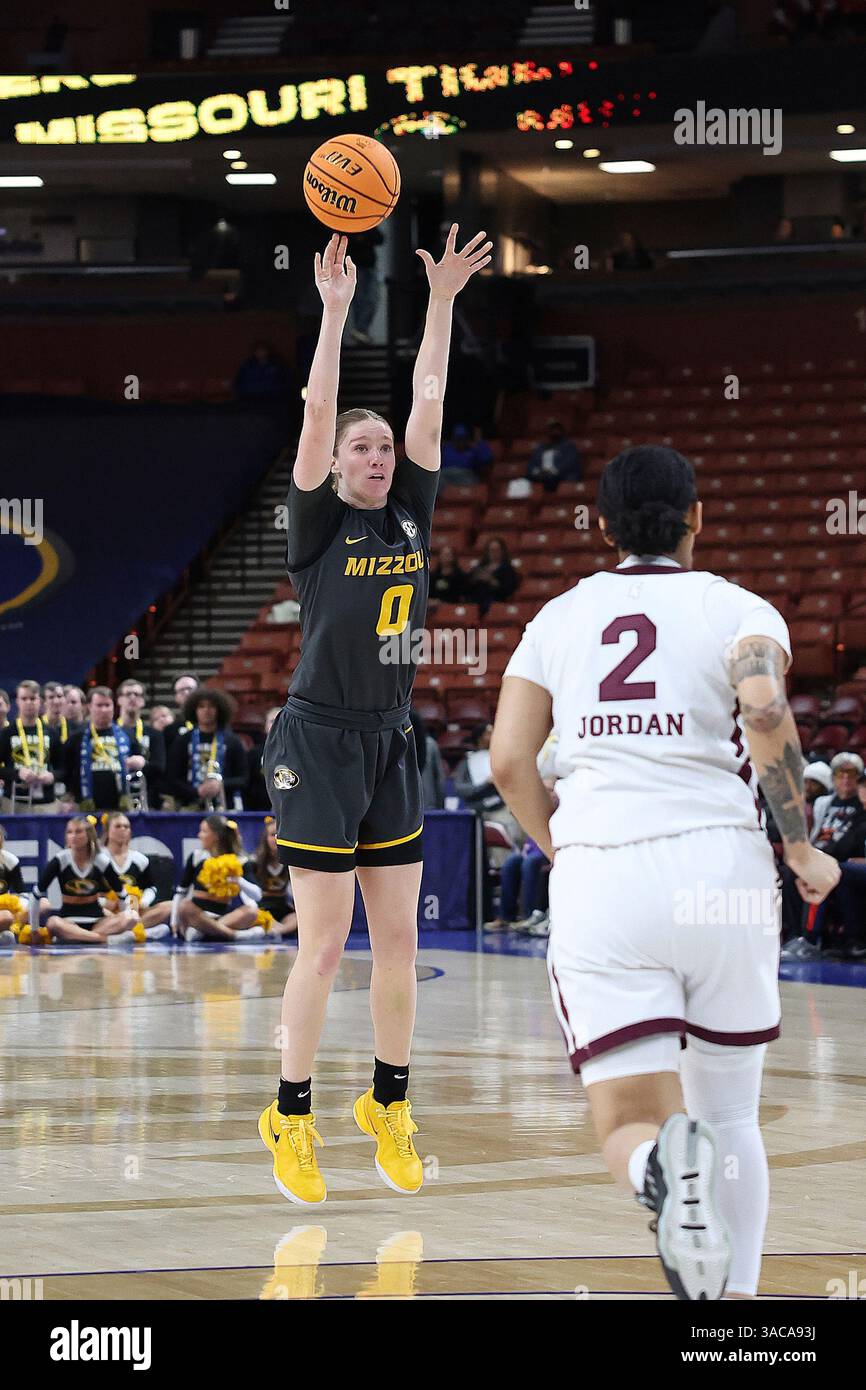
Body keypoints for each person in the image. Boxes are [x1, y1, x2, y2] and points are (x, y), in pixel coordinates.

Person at [489, 442, 839, 1301]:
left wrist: (565, 850)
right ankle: (735, 1317)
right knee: (732, 1115)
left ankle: (657, 1172)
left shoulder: (558, 618)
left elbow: (508, 761)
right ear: (697, 518)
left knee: (630, 1118)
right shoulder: (738, 608)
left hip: (605, 872)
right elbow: (763, 707)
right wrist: (799, 847)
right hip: (721, 869)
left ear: (604, 528)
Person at [259, 225, 491, 1206]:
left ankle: (387, 1103)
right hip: (316, 741)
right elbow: (318, 409)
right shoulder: (318, 522)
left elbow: (429, 399)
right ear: (335, 463)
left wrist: (440, 302)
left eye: (384, 446)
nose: (379, 454)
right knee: (322, 944)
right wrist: (334, 312)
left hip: (391, 739)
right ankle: (291, 1112)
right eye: (363, 446)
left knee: (399, 942)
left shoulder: (410, 512)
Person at [31, 816, 140, 944]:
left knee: (132, 916)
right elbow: (36, 894)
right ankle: (103, 939)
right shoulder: (61, 860)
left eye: (78, 832)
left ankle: (78, 937)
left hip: (98, 922)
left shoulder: (100, 860)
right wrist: (34, 929)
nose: (73, 836)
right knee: (52, 923)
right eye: (69, 832)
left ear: (89, 835)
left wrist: (123, 921)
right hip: (69, 922)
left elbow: (122, 894)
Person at [173, 814, 267, 944]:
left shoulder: (239, 860)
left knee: (251, 912)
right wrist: (174, 921)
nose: (199, 835)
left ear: (216, 836)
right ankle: (234, 935)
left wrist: (239, 880)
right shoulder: (196, 857)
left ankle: (204, 933)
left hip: (225, 917)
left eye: (204, 831)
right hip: (198, 916)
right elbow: (180, 893)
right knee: (185, 907)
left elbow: (257, 895)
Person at [164, 687, 247, 811]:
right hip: (189, 807)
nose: (206, 710)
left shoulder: (232, 741)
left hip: (225, 807)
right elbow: (172, 778)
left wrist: (220, 785)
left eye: (211, 706)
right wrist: (196, 791)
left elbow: (243, 778)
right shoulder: (182, 740)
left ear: (219, 709)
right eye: (201, 706)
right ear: (194, 710)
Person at [63, 687, 145, 812]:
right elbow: (66, 770)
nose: (104, 710)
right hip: (86, 804)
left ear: (113, 706)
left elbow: (141, 761)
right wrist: (70, 796)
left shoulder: (127, 734)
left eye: (107, 705)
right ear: (90, 707)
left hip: (121, 804)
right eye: (99, 705)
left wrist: (140, 761)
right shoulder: (77, 736)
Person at [99, 810, 172, 944]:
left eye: (126, 827)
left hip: (134, 910)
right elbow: (87, 892)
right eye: (118, 826)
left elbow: (151, 887)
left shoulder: (140, 859)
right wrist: (103, 902)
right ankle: (145, 932)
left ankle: (128, 932)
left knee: (169, 906)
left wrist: (144, 902)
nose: (123, 830)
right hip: (108, 912)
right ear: (107, 831)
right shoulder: (98, 858)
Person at [0, 679, 64, 814]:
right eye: (24, 698)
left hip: (46, 802)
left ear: (40, 701)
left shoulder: (51, 732)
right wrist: (17, 773)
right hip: (13, 801)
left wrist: (52, 776)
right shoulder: (7, 733)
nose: (29, 702)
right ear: (17, 701)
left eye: (33, 698)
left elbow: (63, 768)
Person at [116, 678, 167, 810]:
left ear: (143, 701)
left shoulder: (154, 734)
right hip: (116, 799)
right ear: (119, 700)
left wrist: (144, 764)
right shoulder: (111, 733)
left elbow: (160, 767)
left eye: (137, 694)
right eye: (128, 694)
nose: (132, 697)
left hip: (148, 800)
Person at [248, 818, 298, 937]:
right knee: (252, 915)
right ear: (265, 838)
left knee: (298, 916)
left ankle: (277, 931)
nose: (276, 839)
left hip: (283, 909)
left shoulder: (291, 863)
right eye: (272, 835)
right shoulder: (253, 863)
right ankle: (273, 930)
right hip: (261, 909)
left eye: (279, 835)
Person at [347, 227, 384, 344]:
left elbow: (380, 239)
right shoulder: (348, 226)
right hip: (356, 267)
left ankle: (361, 330)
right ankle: (360, 330)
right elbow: (350, 241)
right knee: (359, 299)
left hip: (370, 265)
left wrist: (365, 236)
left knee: (372, 299)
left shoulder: (368, 225)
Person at [466, 537, 520, 616]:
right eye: (491, 550)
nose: (494, 553)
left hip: (496, 603)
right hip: (476, 602)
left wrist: (492, 581)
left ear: (502, 551)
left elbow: (508, 589)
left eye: (497, 550)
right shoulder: (480, 568)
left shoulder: (507, 569)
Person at [526, 420, 583, 493]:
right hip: (541, 476)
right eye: (551, 429)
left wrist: (552, 472)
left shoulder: (569, 447)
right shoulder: (540, 448)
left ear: (562, 431)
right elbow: (531, 465)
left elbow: (569, 463)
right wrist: (537, 472)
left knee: (569, 478)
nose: (554, 432)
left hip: (560, 477)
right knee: (523, 482)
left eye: (556, 429)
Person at [163, 673, 199, 750]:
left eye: (190, 689)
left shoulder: (213, 724)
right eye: (181, 690)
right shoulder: (170, 730)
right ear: (176, 697)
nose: (186, 693)